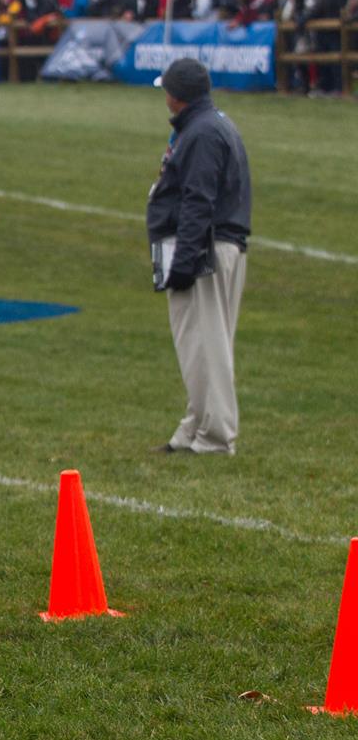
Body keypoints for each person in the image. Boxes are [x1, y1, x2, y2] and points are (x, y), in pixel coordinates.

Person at [147, 57, 251, 455]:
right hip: (211, 244)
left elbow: (198, 202)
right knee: (200, 345)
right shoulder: (209, 124)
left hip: (205, 248)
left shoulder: (203, 133)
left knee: (206, 344)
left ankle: (216, 435)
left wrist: (184, 261)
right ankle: (195, 427)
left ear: (178, 97)